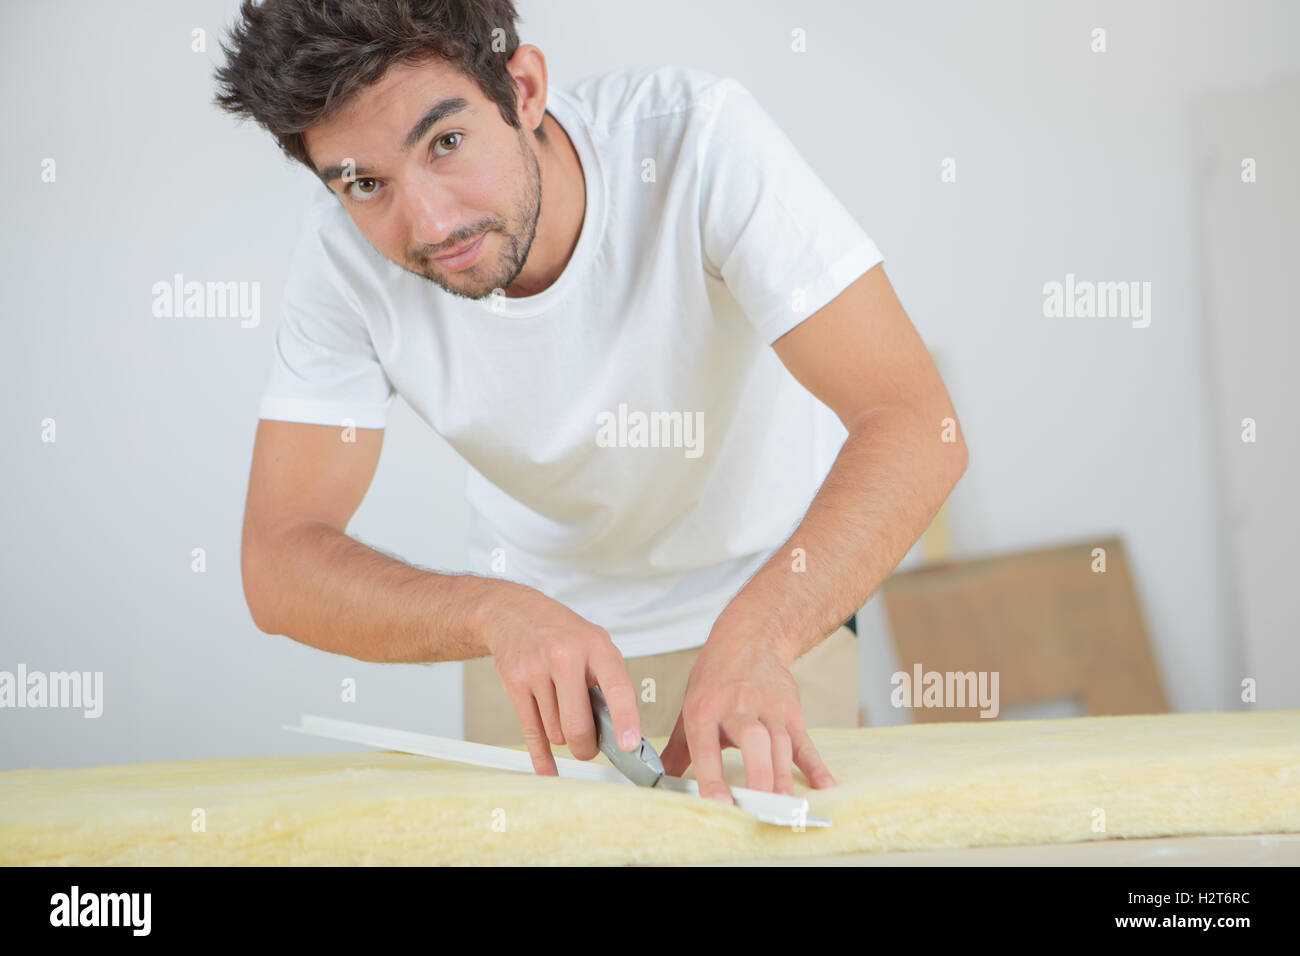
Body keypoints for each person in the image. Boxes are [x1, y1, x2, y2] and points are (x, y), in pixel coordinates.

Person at [214, 0, 967, 805]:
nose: (431, 223)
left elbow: (920, 425)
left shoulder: (698, 140)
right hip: (532, 659)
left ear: (524, 89)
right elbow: (279, 560)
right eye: (365, 184)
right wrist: (491, 614)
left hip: (772, 617)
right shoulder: (339, 257)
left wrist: (762, 636)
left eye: (447, 141)